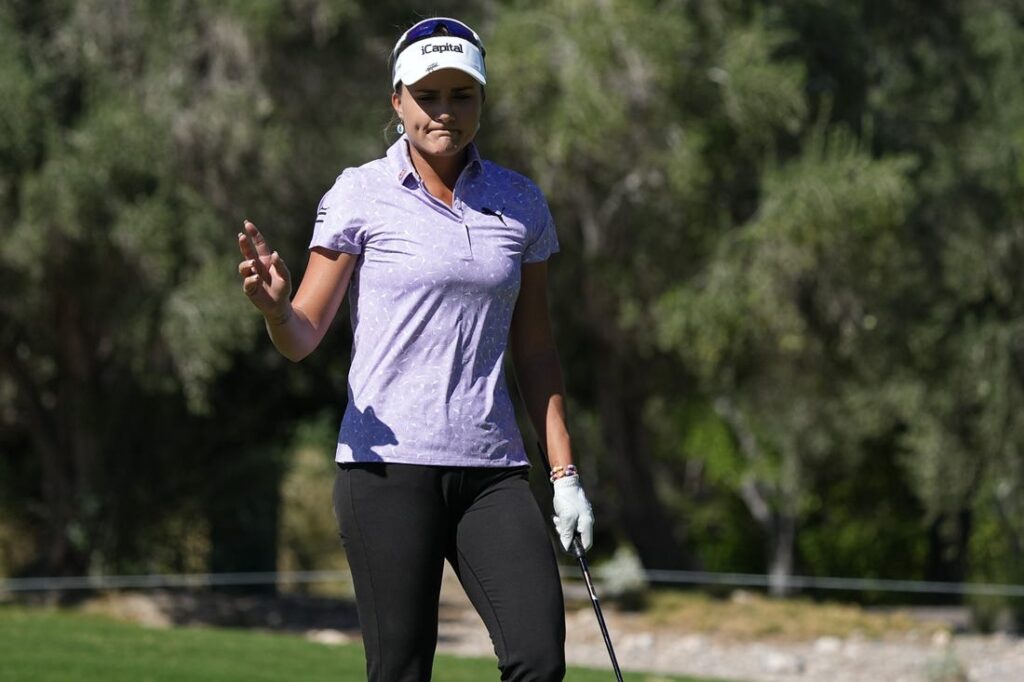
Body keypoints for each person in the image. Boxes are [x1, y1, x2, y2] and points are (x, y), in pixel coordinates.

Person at [236, 16, 594, 682]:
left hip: (492, 469)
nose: (445, 112)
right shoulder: (360, 194)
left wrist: (564, 473)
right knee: (400, 671)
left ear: (481, 101)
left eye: (462, 95)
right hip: (386, 472)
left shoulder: (519, 203)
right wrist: (275, 309)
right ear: (396, 100)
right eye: (428, 96)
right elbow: (302, 335)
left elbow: (537, 350)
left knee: (539, 659)